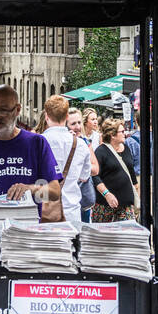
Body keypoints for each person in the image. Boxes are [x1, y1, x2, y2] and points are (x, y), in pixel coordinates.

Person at [42, 94, 92, 230]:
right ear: (66, 117)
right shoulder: (81, 145)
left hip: (44, 211)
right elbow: (85, 176)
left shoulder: (37, 142)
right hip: (71, 211)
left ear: (46, 116)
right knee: (72, 249)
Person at [91, 117, 139, 223]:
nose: (125, 133)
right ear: (112, 135)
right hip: (105, 204)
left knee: (127, 234)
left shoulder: (126, 148)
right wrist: (107, 194)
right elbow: (95, 176)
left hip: (126, 204)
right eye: (121, 131)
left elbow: (131, 171)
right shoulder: (101, 151)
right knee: (103, 235)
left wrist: (136, 191)